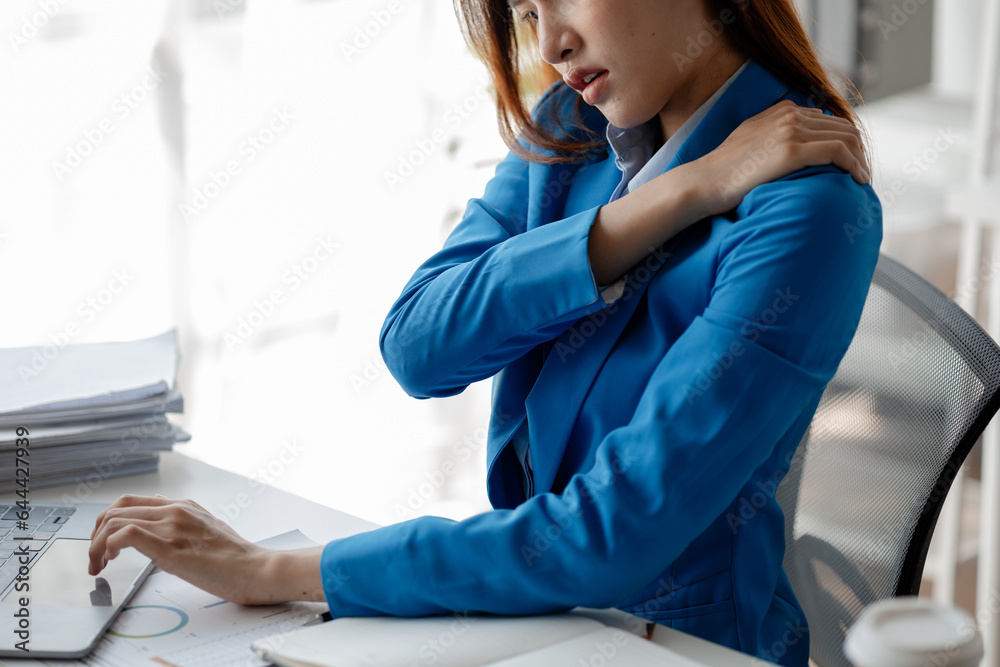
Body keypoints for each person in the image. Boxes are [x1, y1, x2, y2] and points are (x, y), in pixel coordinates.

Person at [88, 0, 881, 664]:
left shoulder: (808, 212)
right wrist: (672, 197)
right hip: (534, 615)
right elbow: (420, 346)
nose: (550, 43)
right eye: (528, 11)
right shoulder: (574, 124)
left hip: (673, 645)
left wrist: (272, 569)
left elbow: (608, 534)